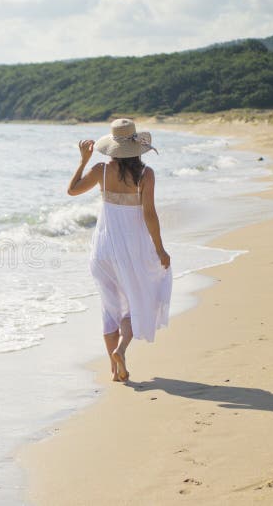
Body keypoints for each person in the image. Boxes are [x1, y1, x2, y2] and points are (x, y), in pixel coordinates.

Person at [66, 118, 172, 382]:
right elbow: (150, 214)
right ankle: (121, 350)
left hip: (102, 250)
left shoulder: (101, 170)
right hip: (131, 250)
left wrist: (83, 160)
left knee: (109, 307)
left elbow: (72, 191)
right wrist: (160, 250)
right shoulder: (145, 175)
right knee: (136, 302)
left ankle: (115, 370)